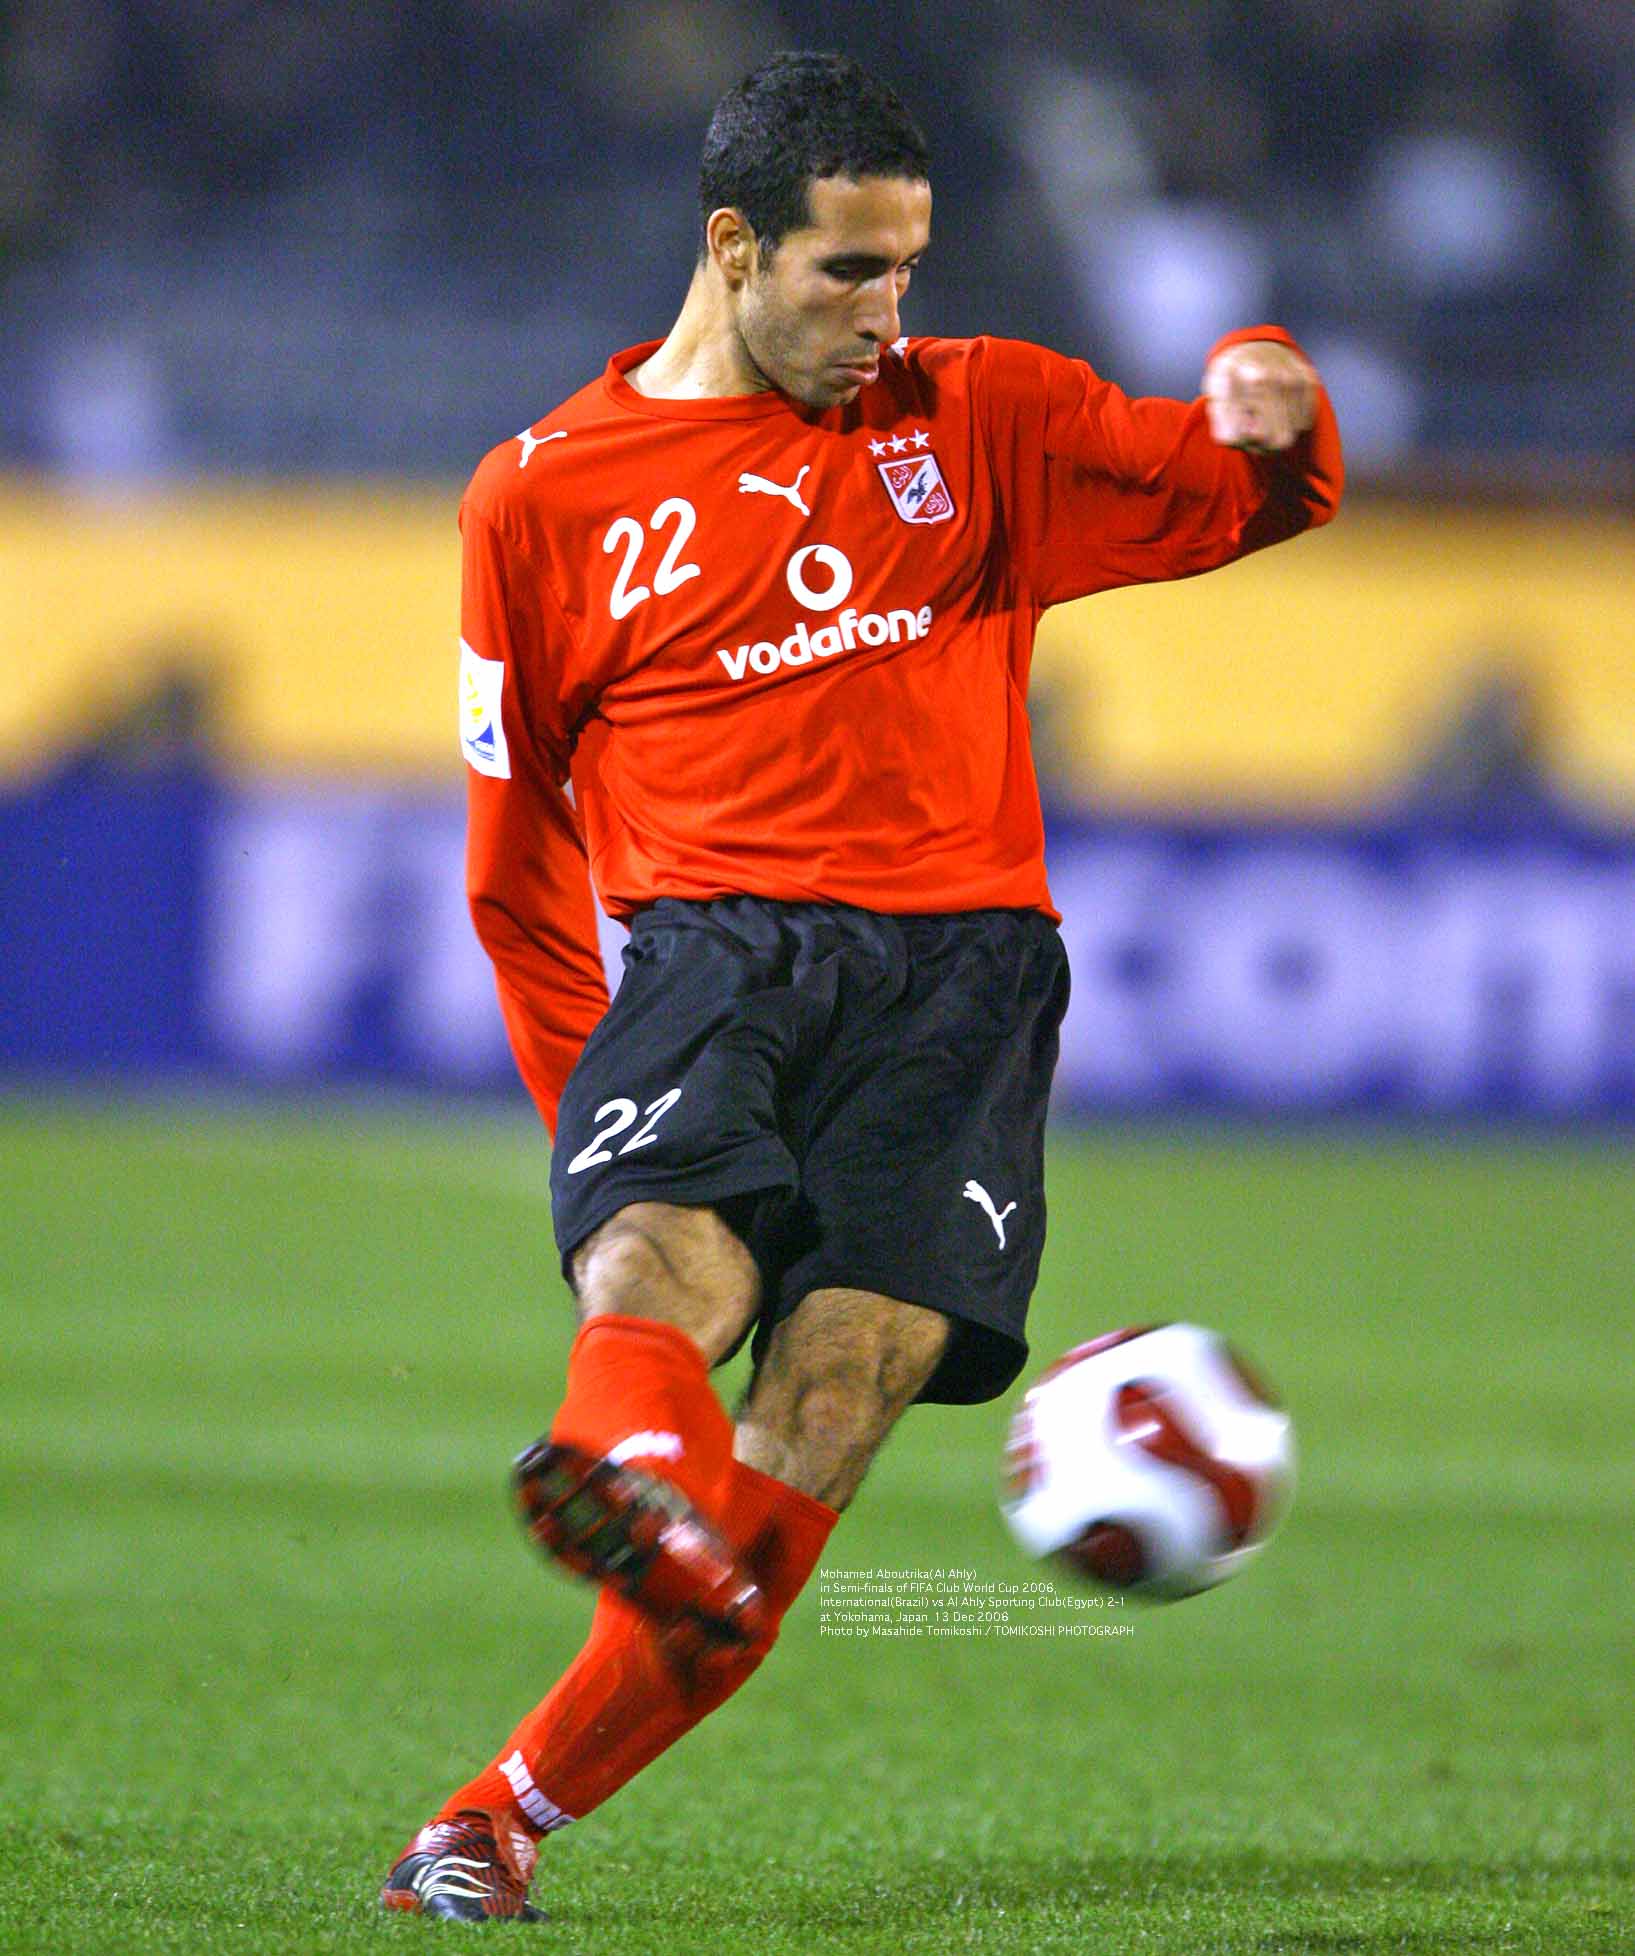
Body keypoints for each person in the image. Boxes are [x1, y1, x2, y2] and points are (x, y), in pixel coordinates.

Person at [381, 48, 1342, 1922]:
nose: (886, 313)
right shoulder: (541, 500)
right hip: (718, 947)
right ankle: (642, 1501)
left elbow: (1245, 497)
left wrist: (1272, 407)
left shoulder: (977, 414)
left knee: (823, 1413)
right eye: (847, 272)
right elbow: (513, 873)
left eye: (908, 268)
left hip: (966, 981)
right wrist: (591, 1133)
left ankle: (494, 1815)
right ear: (734, 249)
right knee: (661, 1262)